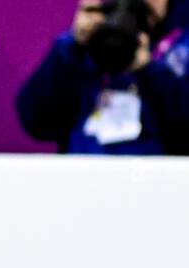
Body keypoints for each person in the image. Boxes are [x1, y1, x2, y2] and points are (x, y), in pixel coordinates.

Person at [16, 0, 189, 154]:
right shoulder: (82, 47)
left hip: (161, 180)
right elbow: (37, 122)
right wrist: (73, 47)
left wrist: (149, 72)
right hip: (84, 177)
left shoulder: (182, 45)